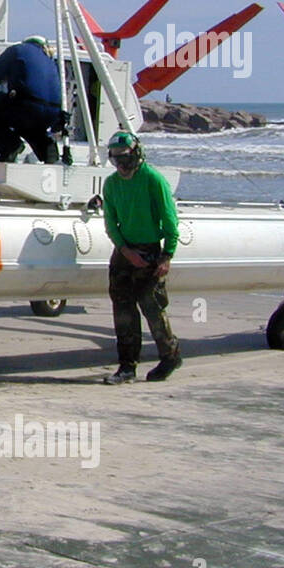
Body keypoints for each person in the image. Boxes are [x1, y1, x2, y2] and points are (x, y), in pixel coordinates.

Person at [101, 131, 182, 384]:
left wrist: (167, 255)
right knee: (122, 311)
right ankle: (127, 366)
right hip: (124, 253)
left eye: (125, 160)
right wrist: (125, 251)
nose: (121, 166)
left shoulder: (153, 179)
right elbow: (111, 222)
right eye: (116, 161)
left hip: (150, 251)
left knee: (152, 306)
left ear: (136, 155)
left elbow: (170, 220)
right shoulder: (112, 184)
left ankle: (170, 355)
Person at [0, 35, 63, 164]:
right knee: (30, 124)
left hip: (26, 107)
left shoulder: (17, 50)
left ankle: (10, 145)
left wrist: (6, 75)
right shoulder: (51, 60)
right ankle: (49, 153)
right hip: (52, 115)